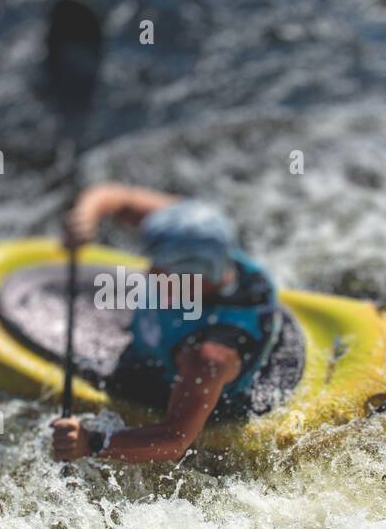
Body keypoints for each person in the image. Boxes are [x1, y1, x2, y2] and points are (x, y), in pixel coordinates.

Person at [51, 184, 282, 463]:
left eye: (157, 266)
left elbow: (174, 441)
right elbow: (122, 200)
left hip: (192, 386)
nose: (149, 270)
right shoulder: (199, 233)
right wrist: (85, 217)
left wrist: (91, 443)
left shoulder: (210, 355)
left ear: (187, 275)